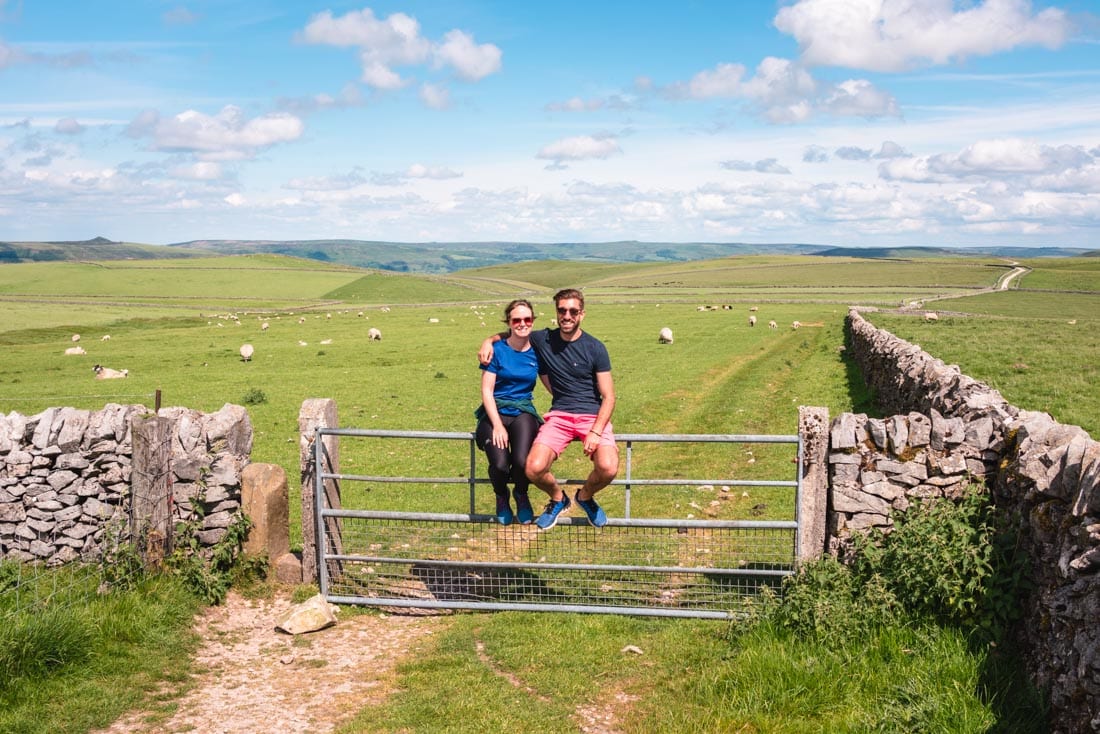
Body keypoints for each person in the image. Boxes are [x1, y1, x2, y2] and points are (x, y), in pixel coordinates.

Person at [480, 288, 618, 530]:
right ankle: (557, 498)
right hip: (560, 415)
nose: (567, 315)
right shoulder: (543, 338)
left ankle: (584, 497)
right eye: (562, 310)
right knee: (533, 467)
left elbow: (609, 396)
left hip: (591, 416)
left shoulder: (596, 348)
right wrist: (488, 341)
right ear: (556, 312)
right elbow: (513, 333)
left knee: (608, 468)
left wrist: (596, 431)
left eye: (573, 311)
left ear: (582, 314)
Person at [475, 299, 542, 525]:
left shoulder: (539, 349)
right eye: (517, 320)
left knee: (523, 462)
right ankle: (501, 495)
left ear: (533, 321)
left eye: (527, 319)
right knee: (500, 464)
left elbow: (553, 383)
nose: (522, 323)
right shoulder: (497, 350)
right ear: (509, 323)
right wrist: (497, 425)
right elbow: (487, 390)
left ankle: (521, 494)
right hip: (495, 411)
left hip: (523, 410)